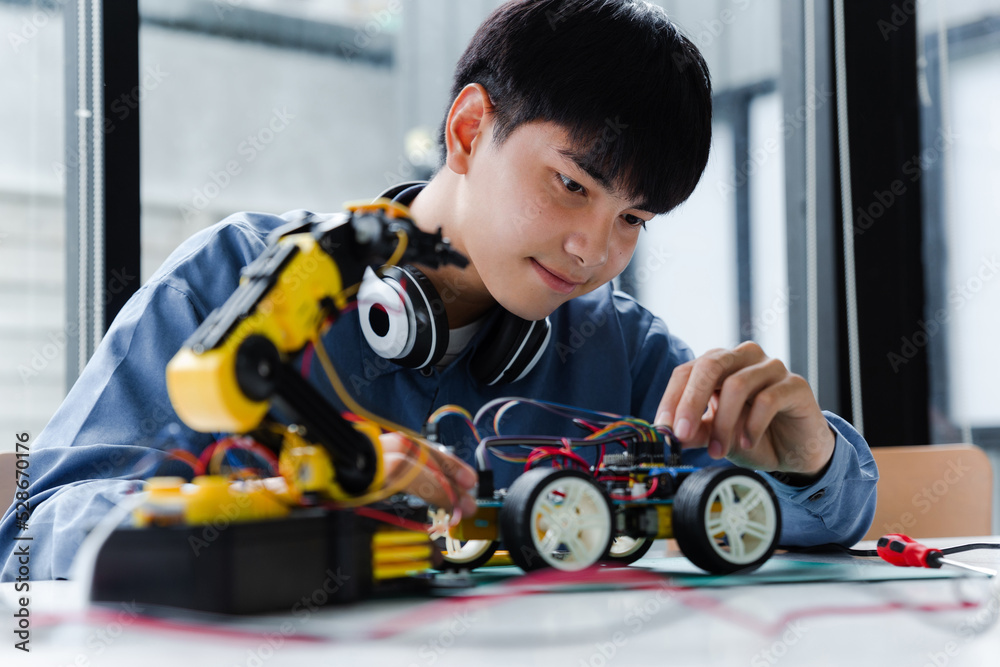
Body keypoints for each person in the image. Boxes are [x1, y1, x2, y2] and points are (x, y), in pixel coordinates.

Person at [1, 0, 876, 581]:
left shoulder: (619, 348)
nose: (593, 251)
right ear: (466, 129)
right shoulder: (235, 277)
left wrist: (812, 462)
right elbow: (35, 537)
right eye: (572, 184)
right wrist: (278, 509)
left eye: (632, 219)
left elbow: (776, 517)